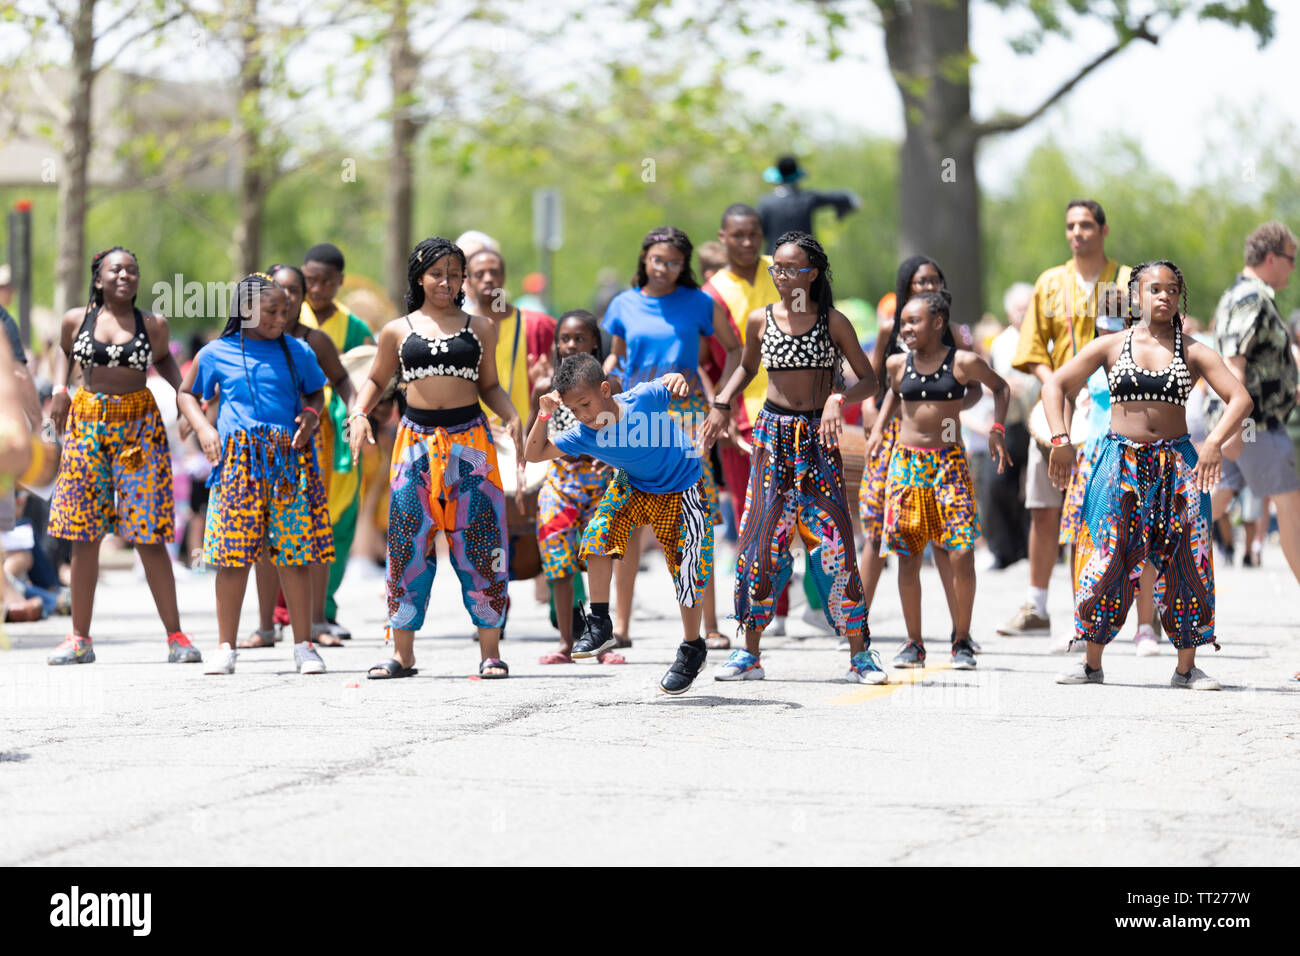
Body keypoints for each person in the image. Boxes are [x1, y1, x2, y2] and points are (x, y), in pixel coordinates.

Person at [1042, 261, 1252, 690]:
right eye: (1154, 289)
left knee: (1186, 562)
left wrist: (1212, 442)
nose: (1163, 296)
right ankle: (1091, 663)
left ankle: (1186, 668)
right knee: (1109, 559)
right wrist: (1060, 438)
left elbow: (1240, 399)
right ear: (1135, 296)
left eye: (1171, 290)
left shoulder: (1193, 350)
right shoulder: (1110, 346)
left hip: (1179, 467)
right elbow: (1056, 386)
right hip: (1120, 466)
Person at [700, 231, 886, 683]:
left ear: (813, 273)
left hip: (817, 441)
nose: (781, 277)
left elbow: (870, 380)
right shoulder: (760, 321)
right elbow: (746, 367)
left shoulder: (833, 322)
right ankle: (749, 654)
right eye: (776, 269)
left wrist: (837, 399)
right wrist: (722, 404)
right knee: (761, 543)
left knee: (834, 548)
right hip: (772, 437)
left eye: (791, 268)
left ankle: (860, 654)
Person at [349, 237, 522, 680]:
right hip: (415, 445)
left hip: (472, 445)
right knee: (407, 543)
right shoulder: (397, 330)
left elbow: (490, 387)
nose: (446, 282)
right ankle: (403, 654)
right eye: (437, 273)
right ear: (419, 277)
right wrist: (358, 414)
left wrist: (512, 415)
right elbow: (375, 379)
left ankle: (490, 652)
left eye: (453, 273)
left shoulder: (481, 327)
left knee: (482, 542)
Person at [45, 247, 201, 666]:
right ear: (99, 279)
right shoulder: (77, 320)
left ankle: (176, 636)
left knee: (149, 532)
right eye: (116, 270)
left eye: (132, 270)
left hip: (138, 426)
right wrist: (61, 391)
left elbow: (168, 364)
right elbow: (64, 351)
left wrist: (191, 405)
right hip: (88, 422)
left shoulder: (153, 325)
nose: (125, 276)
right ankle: (79, 638)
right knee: (84, 532)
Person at [525, 356, 715, 695]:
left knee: (687, 572)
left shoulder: (642, 399)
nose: (582, 415)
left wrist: (676, 378)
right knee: (597, 536)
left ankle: (692, 648)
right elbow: (534, 454)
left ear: (605, 390)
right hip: (635, 485)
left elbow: (669, 383)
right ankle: (599, 623)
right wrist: (545, 414)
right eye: (573, 409)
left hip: (682, 486)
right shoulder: (584, 434)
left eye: (585, 404)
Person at [178, 273, 333, 676]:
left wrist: (312, 415)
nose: (281, 317)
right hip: (237, 466)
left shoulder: (297, 350)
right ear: (245, 310)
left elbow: (317, 391)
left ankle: (303, 646)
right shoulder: (215, 352)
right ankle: (225, 646)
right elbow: (187, 393)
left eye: (285, 311)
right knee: (232, 558)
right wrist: (204, 427)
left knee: (295, 557)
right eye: (272, 311)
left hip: (287, 462)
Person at [601, 226, 742, 649]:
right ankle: (621, 627)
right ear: (644, 259)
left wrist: (722, 401)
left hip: (685, 418)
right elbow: (617, 355)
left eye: (674, 262)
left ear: (685, 266)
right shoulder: (622, 304)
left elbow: (735, 350)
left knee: (694, 521)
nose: (664, 268)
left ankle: (711, 624)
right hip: (633, 416)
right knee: (626, 517)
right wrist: (601, 381)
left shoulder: (700, 303)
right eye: (657, 260)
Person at [1000, 199, 1131, 647]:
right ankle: (1037, 606)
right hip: (1057, 411)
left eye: (1087, 225)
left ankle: (1095, 610)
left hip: (1109, 410)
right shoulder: (1049, 283)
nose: (1078, 232)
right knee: (1044, 506)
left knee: (1097, 513)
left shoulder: (1125, 281)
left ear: (1104, 229)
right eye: (1071, 225)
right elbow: (1032, 348)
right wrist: (1058, 384)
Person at [868, 290, 1010, 669]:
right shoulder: (898, 364)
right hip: (907, 466)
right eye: (903, 323)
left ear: (938, 323)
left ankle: (961, 639)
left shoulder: (963, 362)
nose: (906, 328)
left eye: (914, 321)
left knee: (962, 553)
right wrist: (877, 434)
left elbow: (999, 386)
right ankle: (914, 643)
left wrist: (996, 427)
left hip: (950, 465)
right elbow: (893, 399)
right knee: (908, 557)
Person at [859, 257, 977, 650]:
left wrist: (951, 411)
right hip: (892, 441)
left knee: (947, 541)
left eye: (933, 281)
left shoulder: (951, 335)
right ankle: (857, 624)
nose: (926, 286)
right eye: (919, 281)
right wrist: (872, 417)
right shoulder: (892, 331)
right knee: (879, 534)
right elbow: (873, 383)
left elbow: (971, 384)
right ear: (906, 286)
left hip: (939, 445)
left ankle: (960, 631)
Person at [238, 263, 356, 649]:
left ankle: (318, 620)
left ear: (303, 297)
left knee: (311, 531)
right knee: (263, 536)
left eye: (294, 290)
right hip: (258, 446)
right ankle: (267, 624)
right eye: (279, 289)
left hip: (308, 443)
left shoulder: (313, 341)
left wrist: (355, 415)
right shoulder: (248, 340)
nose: (287, 297)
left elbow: (342, 381)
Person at [700, 203, 791, 637]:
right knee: (749, 513)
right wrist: (723, 409)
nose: (748, 242)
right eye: (738, 235)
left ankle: (785, 608)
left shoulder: (786, 271)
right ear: (723, 237)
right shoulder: (712, 292)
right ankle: (759, 604)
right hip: (741, 417)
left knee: (787, 511)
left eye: (754, 233)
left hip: (794, 409)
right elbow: (708, 361)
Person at [1055, 310, 1162, 655]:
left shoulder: (1146, 353)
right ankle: (1082, 625)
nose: (1111, 321)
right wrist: (1062, 438)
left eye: (1121, 315)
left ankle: (1145, 627)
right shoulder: (1096, 352)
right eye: (1106, 315)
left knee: (1142, 542)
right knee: (1084, 541)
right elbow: (1061, 390)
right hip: (1092, 454)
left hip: (1132, 453)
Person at [1206, 222, 1300, 595]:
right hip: (1254, 426)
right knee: (1291, 511)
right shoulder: (1250, 297)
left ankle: (1149, 567)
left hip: (1246, 426)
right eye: (1291, 260)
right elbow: (1234, 364)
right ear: (1272, 258)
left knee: (1205, 508)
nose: (1294, 268)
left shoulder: (1251, 295)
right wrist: (1232, 431)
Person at [532, 310, 621, 665]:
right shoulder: (545, 390)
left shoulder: (609, 385)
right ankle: (566, 643)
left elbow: (622, 430)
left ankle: (601, 643)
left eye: (579, 339)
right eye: (564, 339)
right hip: (560, 484)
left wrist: (614, 460)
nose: (570, 345)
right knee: (559, 565)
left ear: (595, 343)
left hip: (599, 484)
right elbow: (533, 438)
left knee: (600, 558)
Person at [297, 243, 374, 640]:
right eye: (311, 279)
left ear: (340, 281)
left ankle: (323, 609)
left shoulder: (356, 327)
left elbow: (371, 376)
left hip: (342, 438)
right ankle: (289, 613)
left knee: (338, 521)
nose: (318, 287)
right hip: (302, 432)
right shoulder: (289, 317)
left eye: (327, 280)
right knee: (298, 520)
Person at [982, 282, 1035, 569]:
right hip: (1010, 420)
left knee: (1040, 486)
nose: (1023, 313)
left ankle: (1033, 548)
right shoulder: (1000, 342)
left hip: (1040, 421)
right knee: (999, 483)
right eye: (1018, 308)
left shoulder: (1044, 338)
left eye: (1028, 307)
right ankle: (1004, 549)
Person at [756, 155, 859, 253]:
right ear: (797, 176)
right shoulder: (807, 198)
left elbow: (760, 232)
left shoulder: (766, 203)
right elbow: (842, 197)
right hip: (804, 258)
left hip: (775, 259)